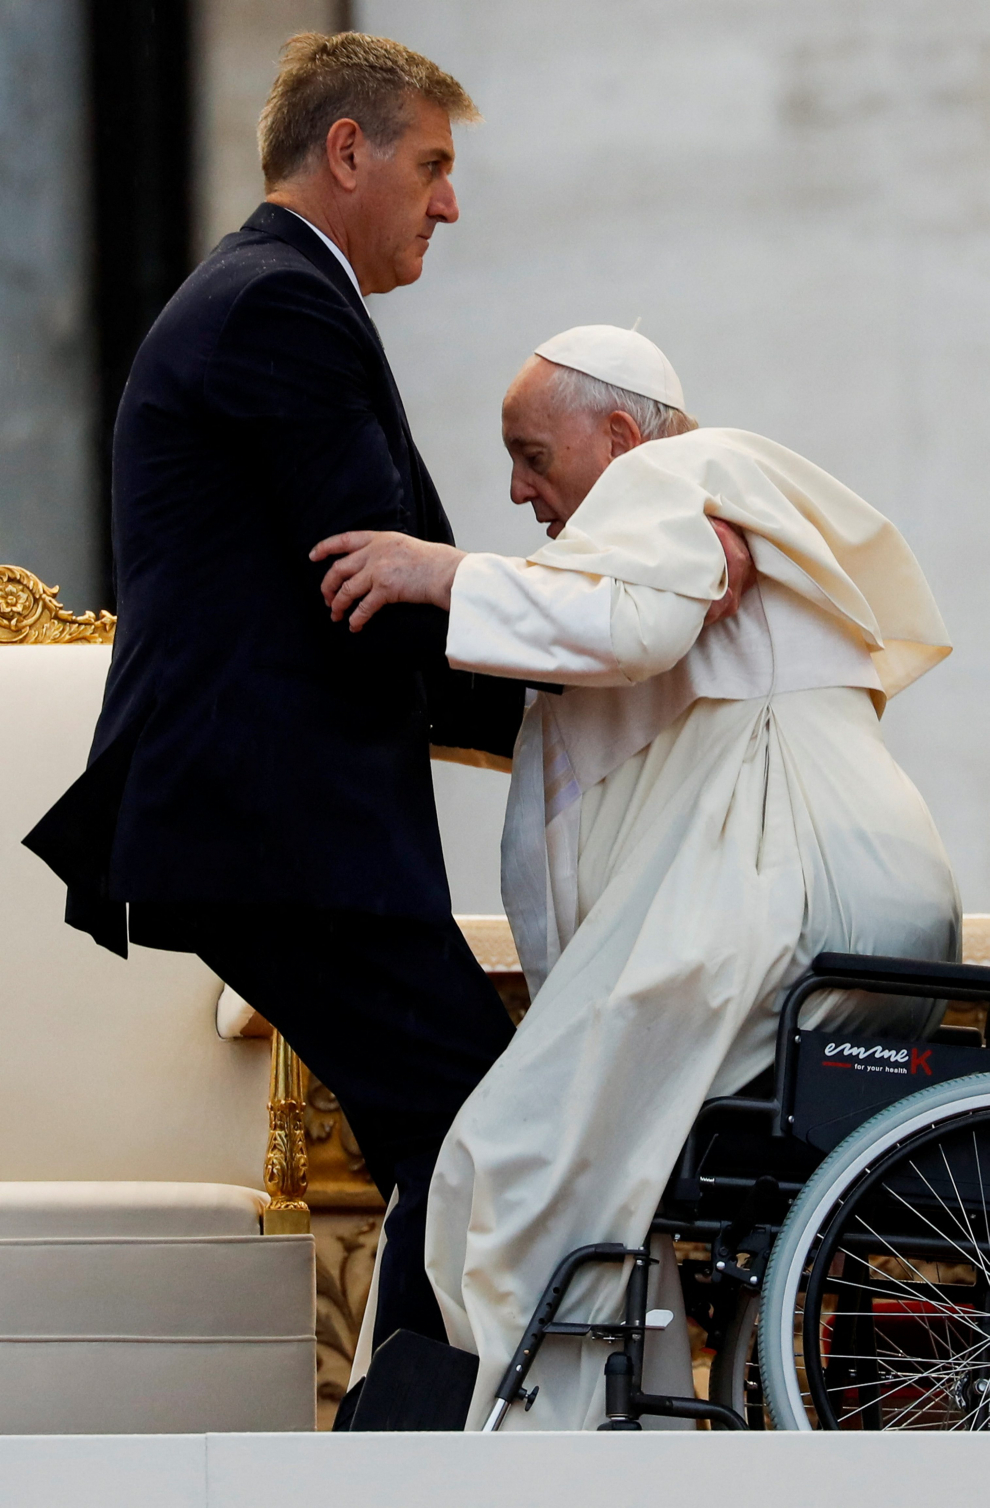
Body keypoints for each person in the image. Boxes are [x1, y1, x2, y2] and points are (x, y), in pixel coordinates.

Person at [313, 324, 960, 1429]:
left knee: (511, 1154)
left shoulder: (673, 475)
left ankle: (534, 1450)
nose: (517, 490)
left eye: (531, 453)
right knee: (600, 1166)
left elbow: (636, 627)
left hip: (779, 887)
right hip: (848, 887)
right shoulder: (683, 521)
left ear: (617, 432)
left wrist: (441, 571)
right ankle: (622, 1429)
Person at [22, 31, 534, 1353]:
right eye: (431, 165)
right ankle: (420, 1453)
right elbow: (369, 574)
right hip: (277, 827)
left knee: (460, 1131)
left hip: (275, 824)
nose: (449, 202)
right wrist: (580, 679)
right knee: (482, 1129)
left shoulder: (274, 294)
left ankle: (405, 1438)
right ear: (348, 151)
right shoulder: (277, 303)